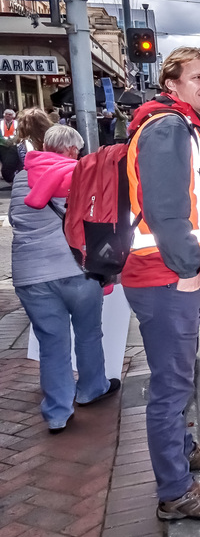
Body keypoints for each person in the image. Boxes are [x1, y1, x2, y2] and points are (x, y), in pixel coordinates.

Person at [121, 46, 200, 523]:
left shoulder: (180, 125)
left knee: (181, 378)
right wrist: (189, 269)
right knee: (171, 388)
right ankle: (176, 491)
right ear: (171, 84)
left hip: (169, 274)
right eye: (196, 77)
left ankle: (183, 451)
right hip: (166, 276)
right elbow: (166, 210)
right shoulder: (169, 127)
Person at [9, 124, 119, 434]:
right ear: (71, 150)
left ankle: (57, 412)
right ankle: (91, 388)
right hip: (76, 269)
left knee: (51, 343)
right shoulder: (80, 175)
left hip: (30, 274)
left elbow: (16, 220)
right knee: (88, 333)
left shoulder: (19, 180)